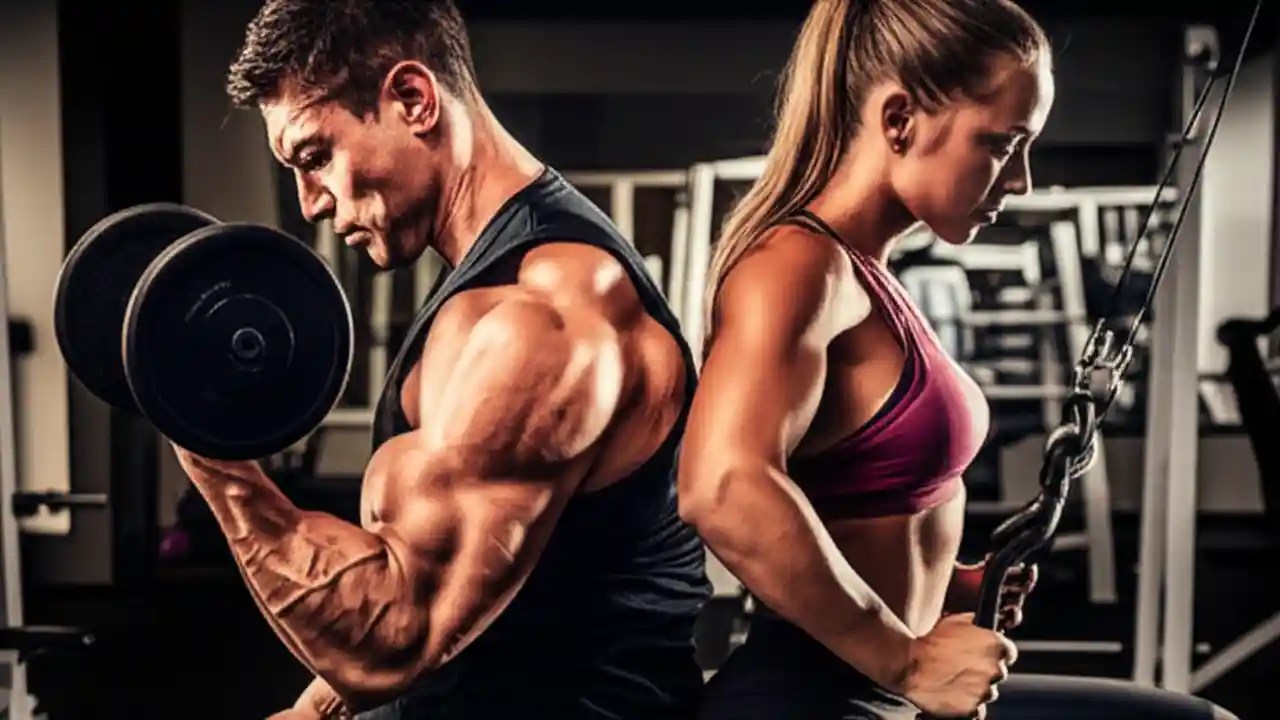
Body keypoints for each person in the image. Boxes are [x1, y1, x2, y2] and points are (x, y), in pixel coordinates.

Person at [172, 1, 712, 718]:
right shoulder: (488, 284)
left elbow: (396, 635)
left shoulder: (546, 319)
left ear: (412, 99)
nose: (310, 204)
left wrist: (205, 445)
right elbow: (466, 568)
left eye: (316, 156)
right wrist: (313, 709)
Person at [676, 0, 1055, 718]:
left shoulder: (864, 274)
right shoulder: (796, 263)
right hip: (808, 698)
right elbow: (722, 485)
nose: (1021, 181)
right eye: (1003, 146)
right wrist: (908, 661)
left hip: (869, 696)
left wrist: (949, 586)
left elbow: (858, 507)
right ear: (900, 120)